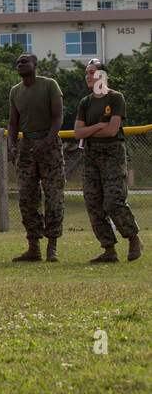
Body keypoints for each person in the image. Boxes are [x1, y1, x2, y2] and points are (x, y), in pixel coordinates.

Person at [74, 59, 142, 262]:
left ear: (103, 75)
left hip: (112, 154)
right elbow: (78, 132)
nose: (88, 76)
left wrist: (92, 129)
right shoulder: (85, 103)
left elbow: (112, 130)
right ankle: (109, 250)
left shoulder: (115, 98)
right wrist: (97, 127)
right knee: (93, 203)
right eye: (86, 72)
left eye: (92, 72)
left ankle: (133, 238)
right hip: (91, 154)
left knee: (114, 202)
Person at [7, 53, 64, 263]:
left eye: (24, 61)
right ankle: (34, 247)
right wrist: (12, 146)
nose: (20, 65)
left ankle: (52, 247)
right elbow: (13, 123)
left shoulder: (49, 85)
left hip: (49, 145)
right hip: (27, 145)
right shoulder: (15, 91)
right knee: (27, 198)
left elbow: (58, 117)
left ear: (35, 65)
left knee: (53, 197)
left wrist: (47, 142)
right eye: (18, 62)